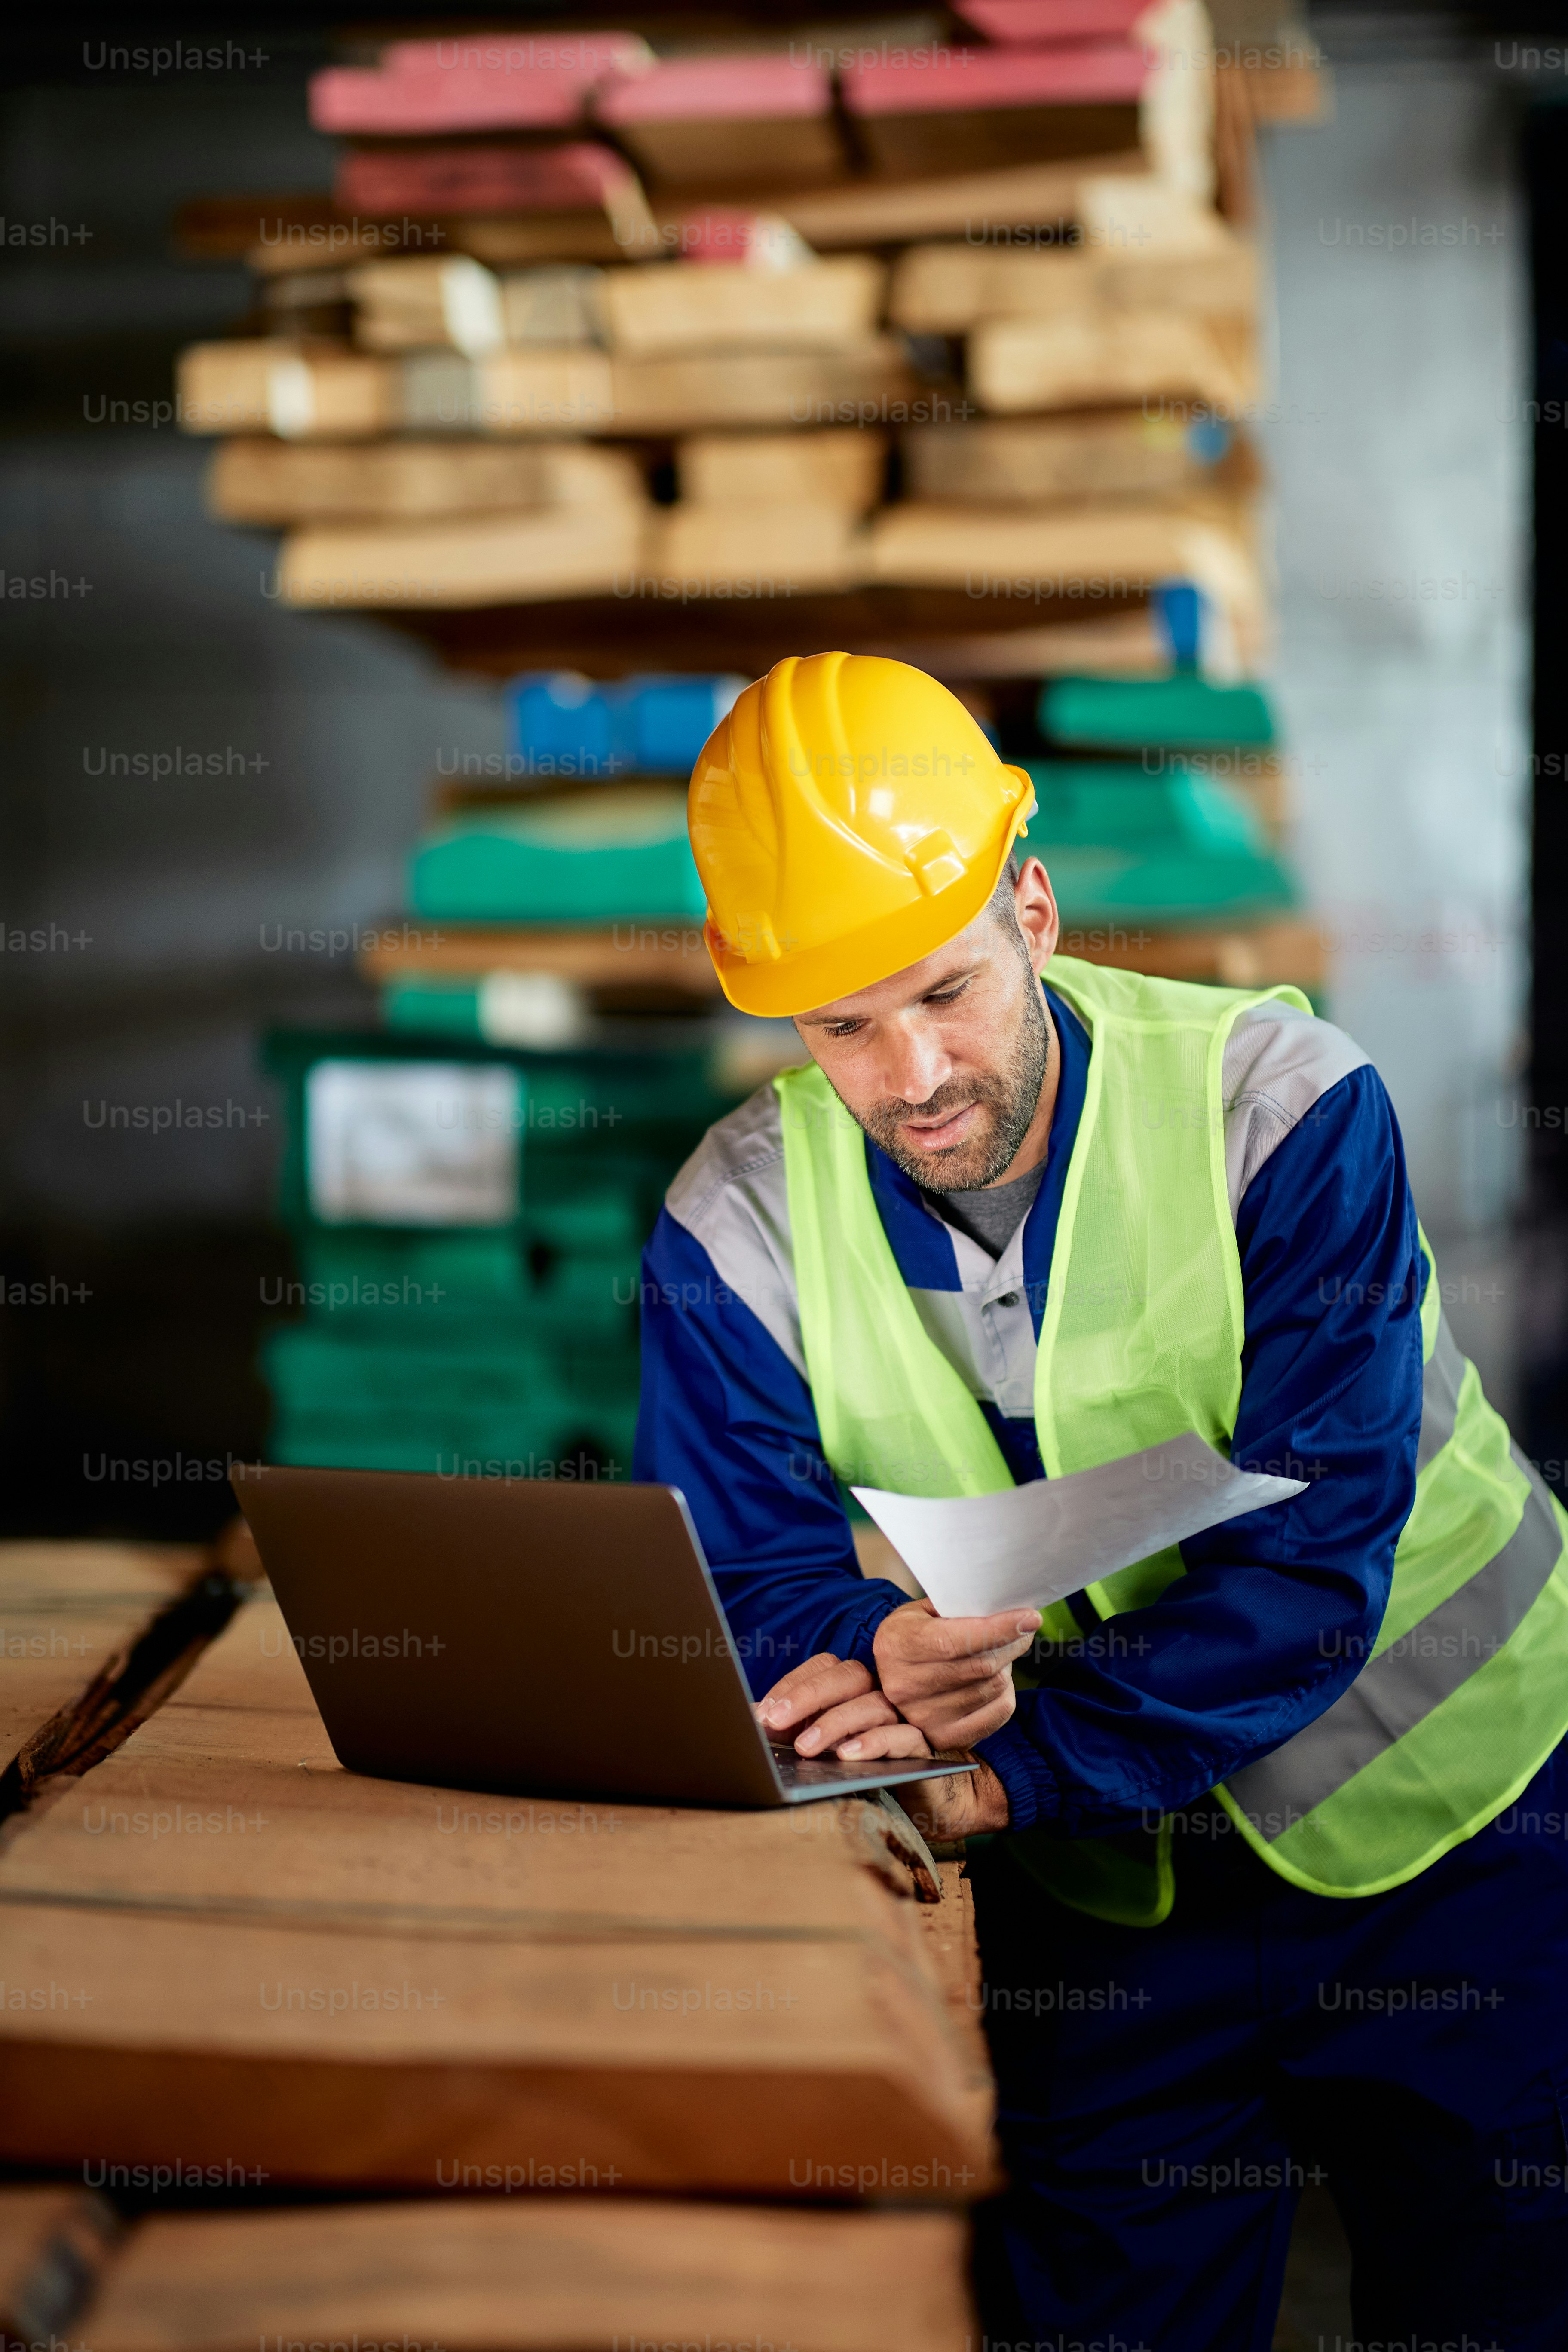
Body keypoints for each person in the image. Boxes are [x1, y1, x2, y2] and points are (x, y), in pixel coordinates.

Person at [634, 651, 1568, 2350]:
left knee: (1499, 2304)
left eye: (948, 992)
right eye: (840, 1026)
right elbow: (740, 1569)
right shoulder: (733, 1225)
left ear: (1038, 913)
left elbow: (1313, 1557)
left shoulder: (1283, 1111)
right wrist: (883, 1648)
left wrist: (1005, 1766)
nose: (912, 1073)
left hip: (1466, 1838)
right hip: (1113, 1905)